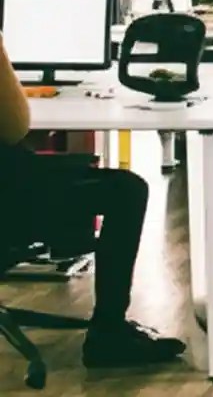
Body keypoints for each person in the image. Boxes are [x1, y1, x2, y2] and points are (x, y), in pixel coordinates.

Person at [0, 36, 186, 368]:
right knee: (126, 190)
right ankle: (109, 333)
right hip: (10, 195)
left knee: (71, 172)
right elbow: (15, 127)